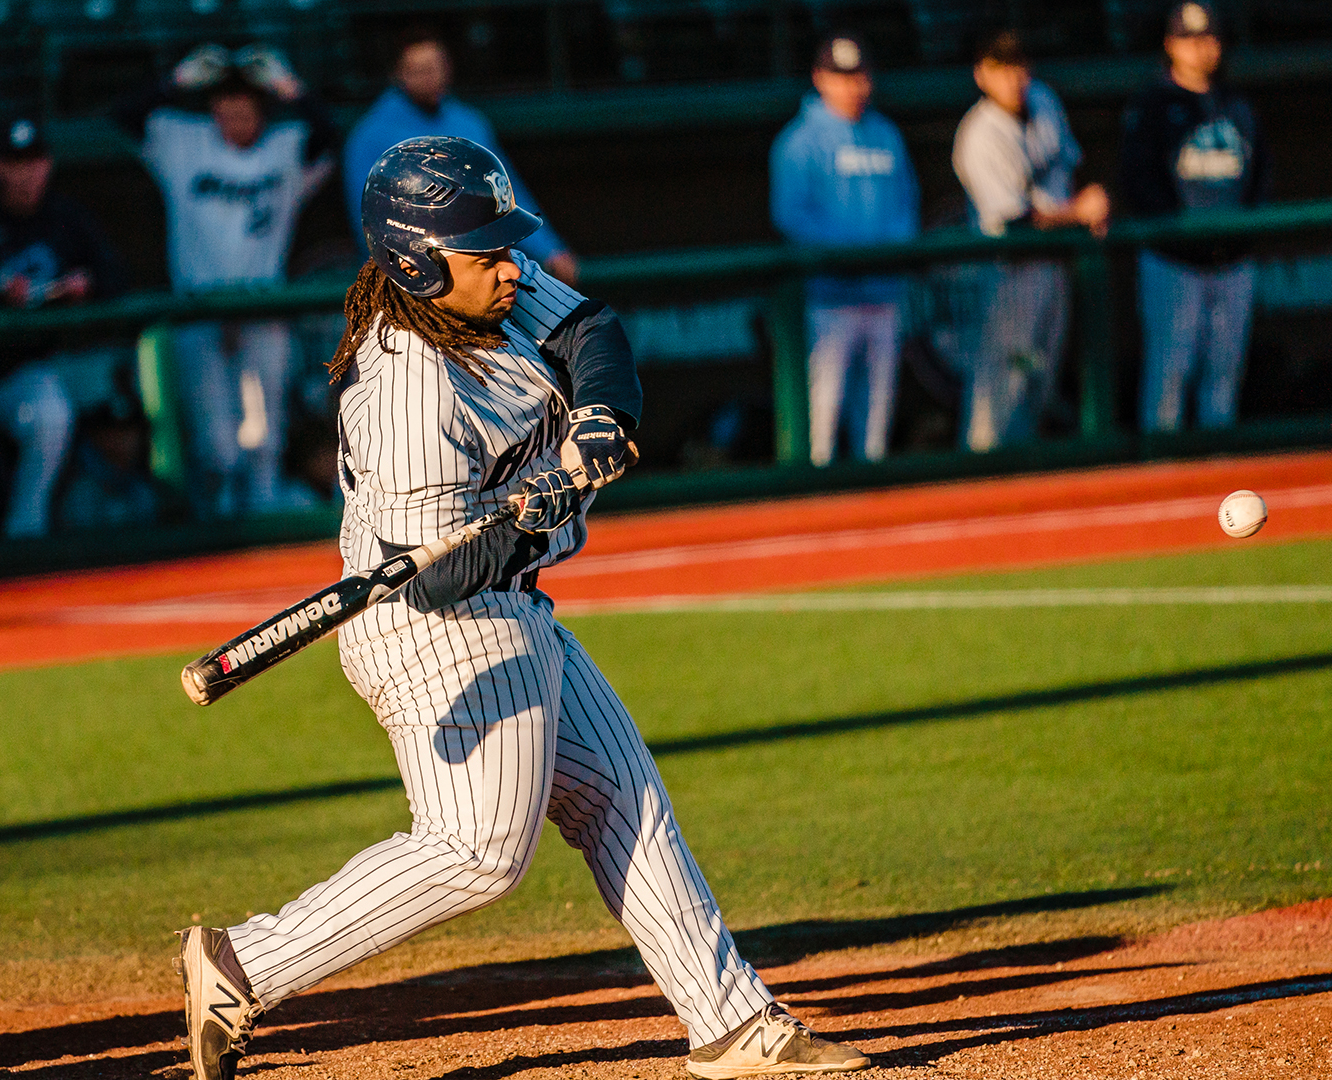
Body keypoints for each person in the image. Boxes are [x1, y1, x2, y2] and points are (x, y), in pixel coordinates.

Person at [174, 136, 870, 1080]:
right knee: (475, 851)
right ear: (419, 263)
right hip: (434, 631)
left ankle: (732, 1024)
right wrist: (539, 511)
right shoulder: (406, 390)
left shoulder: (483, 286)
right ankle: (242, 963)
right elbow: (437, 576)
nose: (510, 267)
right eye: (486, 252)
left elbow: (592, 331)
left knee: (620, 792)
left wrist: (599, 421)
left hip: (505, 602)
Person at [113, 44, 339, 520]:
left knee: (264, 440)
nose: (235, 119)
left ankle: (259, 541)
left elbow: (334, 134)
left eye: (246, 110)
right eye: (225, 109)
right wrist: (176, 82)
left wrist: (287, 86)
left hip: (262, 311)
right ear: (212, 109)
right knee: (215, 447)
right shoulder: (185, 140)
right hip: (199, 310)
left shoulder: (285, 145)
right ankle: (215, 532)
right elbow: (122, 115)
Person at [0, 118, 130, 539]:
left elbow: (116, 278)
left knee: (52, 417)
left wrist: (85, 286)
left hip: (23, 368)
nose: (25, 174)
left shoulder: (65, 216)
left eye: (33, 162)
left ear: (48, 166)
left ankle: (25, 535)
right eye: (15, 163)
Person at [952, 29, 1110, 451]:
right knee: (1000, 387)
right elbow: (1015, 220)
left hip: (1052, 266)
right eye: (1000, 69)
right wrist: (1080, 212)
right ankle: (980, 480)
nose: (1013, 78)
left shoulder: (1043, 100)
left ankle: (1025, 493)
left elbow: (1066, 168)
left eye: (1018, 66)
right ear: (982, 75)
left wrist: (1083, 206)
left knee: (1040, 383)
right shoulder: (978, 135)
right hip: (1009, 272)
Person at [769, 32, 920, 467]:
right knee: (822, 422)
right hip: (828, 299)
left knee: (875, 430)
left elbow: (907, 204)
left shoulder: (886, 135)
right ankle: (816, 516)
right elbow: (791, 215)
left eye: (859, 77)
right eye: (841, 77)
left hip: (883, 296)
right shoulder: (799, 141)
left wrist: (886, 253)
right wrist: (853, 254)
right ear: (820, 78)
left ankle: (871, 520)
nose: (852, 87)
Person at [1120, 2, 1265, 435]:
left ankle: (1217, 476)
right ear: (1170, 45)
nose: (1202, 48)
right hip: (1174, 263)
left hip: (1232, 262)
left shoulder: (1236, 105)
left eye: (1210, 38)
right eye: (1190, 39)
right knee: (1168, 376)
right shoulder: (1152, 106)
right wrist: (1185, 239)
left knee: (1222, 380)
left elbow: (1261, 177)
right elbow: (1138, 184)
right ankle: (1163, 486)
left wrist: (1238, 238)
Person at [343, 27, 579, 284]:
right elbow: (368, 220)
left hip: (479, 270)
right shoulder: (370, 136)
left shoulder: (469, 123)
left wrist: (550, 250)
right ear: (399, 74)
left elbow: (504, 192)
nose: (431, 77)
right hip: (410, 277)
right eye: (420, 70)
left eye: (437, 66)